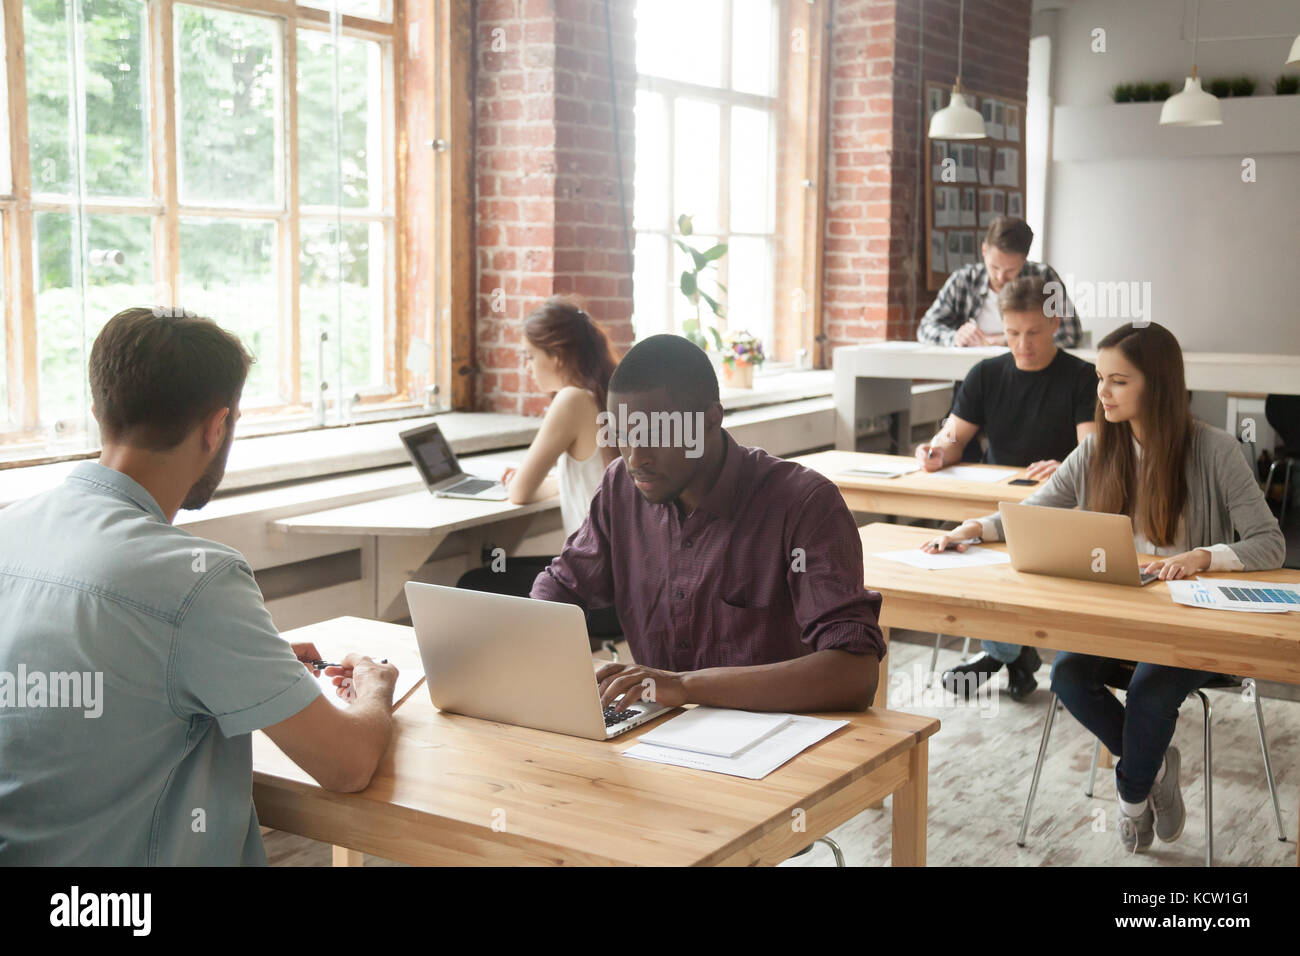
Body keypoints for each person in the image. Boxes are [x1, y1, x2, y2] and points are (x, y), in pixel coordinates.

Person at [0, 307, 399, 865]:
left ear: (99, 412)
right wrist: (376, 687)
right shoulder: (197, 579)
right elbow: (348, 765)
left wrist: (249, 669)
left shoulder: (11, 527)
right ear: (216, 427)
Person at [921, 321, 1285, 854]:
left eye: (1118, 381)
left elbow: (1269, 544)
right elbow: (1031, 514)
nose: (1102, 392)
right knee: (1068, 673)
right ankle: (1155, 767)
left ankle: (1132, 796)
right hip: (1124, 619)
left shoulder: (1217, 451)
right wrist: (972, 530)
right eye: (1100, 377)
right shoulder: (1099, 451)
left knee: (1151, 689)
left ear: (1155, 387)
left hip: (1192, 625)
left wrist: (1205, 556)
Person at [530, 334, 886, 713]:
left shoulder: (804, 504)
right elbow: (562, 587)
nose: (635, 458)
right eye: (621, 435)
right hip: (658, 735)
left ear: (711, 420)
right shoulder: (621, 488)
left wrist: (685, 687)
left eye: (655, 435)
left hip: (775, 743)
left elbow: (855, 673)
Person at [914, 275, 1097, 700]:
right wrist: (937, 451)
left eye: (1033, 332)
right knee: (973, 554)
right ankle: (1014, 657)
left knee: (1012, 568)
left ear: (1055, 323)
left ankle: (997, 656)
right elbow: (955, 438)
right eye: (1012, 333)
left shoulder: (1082, 377)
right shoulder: (986, 373)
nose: (1022, 344)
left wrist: (1066, 465)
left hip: (1060, 507)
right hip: (996, 500)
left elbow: (1093, 450)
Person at [457, 298, 621, 637]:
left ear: (557, 356)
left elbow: (519, 494)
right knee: (490, 575)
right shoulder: (606, 393)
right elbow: (590, 483)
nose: (527, 367)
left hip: (598, 593)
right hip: (621, 584)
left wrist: (522, 480)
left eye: (530, 356)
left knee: (474, 584)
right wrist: (541, 480)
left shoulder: (572, 399)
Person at [917, 216, 1080, 348]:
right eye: (994, 267)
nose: (1001, 277)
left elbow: (1070, 333)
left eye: (1010, 271)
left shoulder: (1043, 278)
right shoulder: (964, 280)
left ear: (1024, 260)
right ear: (984, 251)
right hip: (971, 375)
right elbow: (926, 328)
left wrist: (1001, 341)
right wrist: (956, 337)